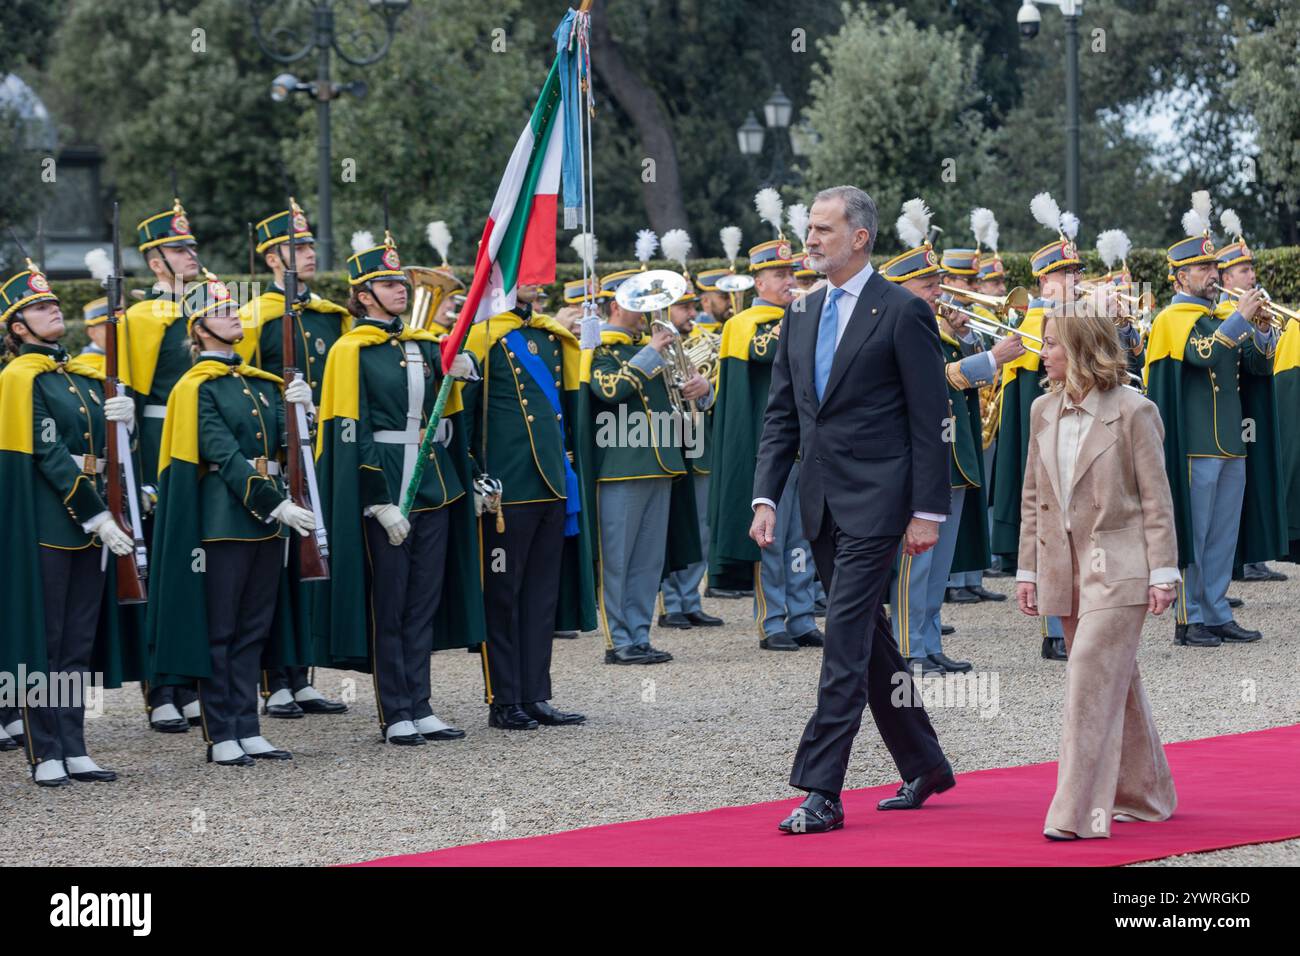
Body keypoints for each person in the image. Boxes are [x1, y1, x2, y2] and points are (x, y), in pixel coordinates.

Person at [751, 185, 955, 835]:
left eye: (822, 230)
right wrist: (765, 496)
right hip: (820, 505)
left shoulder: (901, 312)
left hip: (880, 504)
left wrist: (928, 511)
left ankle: (821, 791)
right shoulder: (801, 313)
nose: (808, 241)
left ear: (860, 237)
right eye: (808, 229)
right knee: (866, 639)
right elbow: (783, 415)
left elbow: (930, 419)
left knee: (841, 639)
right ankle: (924, 763)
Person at [314, 232, 483, 744]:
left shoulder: (422, 345)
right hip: (386, 485)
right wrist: (377, 499)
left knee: (422, 602)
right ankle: (396, 709)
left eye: (400, 281)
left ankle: (422, 703)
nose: (400, 288)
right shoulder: (351, 350)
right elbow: (350, 431)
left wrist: (459, 373)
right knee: (388, 603)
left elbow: (446, 421)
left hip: (433, 483)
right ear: (363, 295)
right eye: (387, 283)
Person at [1016, 307, 1179, 840]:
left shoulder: (1135, 410)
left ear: (1084, 350)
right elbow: (1033, 499)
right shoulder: (1041, 409)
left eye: (1052, 343)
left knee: (1088, 671)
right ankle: (1147, 793)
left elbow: (1157, 500)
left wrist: (1164, 572)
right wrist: (1028, 571)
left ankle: (1077, 811)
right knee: (1117, 680)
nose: (1042, 351)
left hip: (1122, 565)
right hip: (1064, 567)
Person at [146, 273, 314, 766]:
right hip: (225, 519)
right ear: (198, 329)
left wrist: (305, 412)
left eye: (234, 309)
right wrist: (271, 502)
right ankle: (222, 732)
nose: (234, 316)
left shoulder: (260, 385)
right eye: (221, 312)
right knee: (221, 629)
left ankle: (247, 725)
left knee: (253, 628)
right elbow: (224, 455)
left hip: (267, 519)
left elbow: (286, 449)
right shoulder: (197, 387)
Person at [0, 259, 138, 785]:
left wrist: (125, 424)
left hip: (92, 519)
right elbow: (49, 452)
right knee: (46, 640)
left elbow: (99, 451)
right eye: (40, 307)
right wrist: (95, 513)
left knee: (78, 642)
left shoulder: (79, 375)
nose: (53, 310)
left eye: (54, 303)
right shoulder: (21, 377)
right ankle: (43, 748)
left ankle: (74, 743)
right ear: (18, 327)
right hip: (50, 523)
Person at [882, 201, 1024, 675]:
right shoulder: (895, 325)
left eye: (938, 283)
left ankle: (929, 641)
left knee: (938, 563)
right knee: (915, 563)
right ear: (902, 288)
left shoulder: (932, 324)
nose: (939, 293)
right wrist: (991, 359)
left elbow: (965, 381)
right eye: (928, 285)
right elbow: (930, 381)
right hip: (919, 458)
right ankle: (907, 649)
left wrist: (966, 340)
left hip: (955, 457)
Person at [1143, 192, 1283, 647]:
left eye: (1213, 268)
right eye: (1203, 269)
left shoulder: (1220, 315)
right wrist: (1240, 320)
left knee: (1223, 535)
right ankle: (1190, 616)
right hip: (1195, 444)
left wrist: (1262, 330)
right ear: (1182, 275)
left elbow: (1258, 367)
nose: (1212, 276)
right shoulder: (1173, 319)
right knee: (1195, 532)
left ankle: (1218, 609)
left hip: (1231, 443)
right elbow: (1204, 355)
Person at [461, 280, 594, 730]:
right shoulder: (483, 335)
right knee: (503, 596)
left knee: (540, 597)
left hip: (551, 483)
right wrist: (474, 471)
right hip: (507, 486)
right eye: (527, 271)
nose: (538, 281)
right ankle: (504, 697)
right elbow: (465, 414)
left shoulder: (547, 336)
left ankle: (536, 693)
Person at [238, 200, 349, 719]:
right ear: (271, 258)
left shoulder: (331, 317)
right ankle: (273, 680)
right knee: (277, 567)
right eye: (296, 247)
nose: (308, 253)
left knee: (313, 555)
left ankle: (302, 675)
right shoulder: (255, 316)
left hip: (320, 446)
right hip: (280, 454)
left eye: (309, 245)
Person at [575, 267, 712, 665]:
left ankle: (639, 634)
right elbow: (609, 390)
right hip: (621, 465)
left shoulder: (658, 348)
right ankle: (617, 641)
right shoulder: (597, 347)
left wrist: (703, 391)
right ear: (615, 304)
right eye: (638, 303)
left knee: (648, 562)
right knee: (617, 560)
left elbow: (678, 401)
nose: (649, 311)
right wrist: (651, 350)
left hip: (664, 463)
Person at [710, 236, 821, 651]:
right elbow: (767, 350)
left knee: (802, 539)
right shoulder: (745, 324)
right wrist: (801, 311)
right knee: (770, 540)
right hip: (770, 452)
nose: (790, 281)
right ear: (758, 283)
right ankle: (772, 620)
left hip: (806, 447)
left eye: (792, 273)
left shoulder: (801, 315)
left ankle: (802, 615)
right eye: (779, 275)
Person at [990, 192, 1083, 662]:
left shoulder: (1076, 317)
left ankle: (1073, 621)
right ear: (1045, 279)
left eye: (1077, 272)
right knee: (1052, 527)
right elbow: (1037, 392)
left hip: (1081, 437)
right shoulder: (1035, 321)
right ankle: (1054, 627)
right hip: (1050, 440)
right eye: (1067, 273)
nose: (1076, 279)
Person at [123, 196, 204, 731]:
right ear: (156, 262)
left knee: (198, 563)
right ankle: (161, 687)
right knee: (160, 563)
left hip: (204, 435)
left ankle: (194, 678)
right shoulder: (141, 316)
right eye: (178, 249)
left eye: (191, 245)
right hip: (158, 440)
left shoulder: (211, 306)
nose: (190, 254)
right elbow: (126, 394)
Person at [1215, 212, 1288, 585]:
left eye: (1251, 269)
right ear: (1226, 278)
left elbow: (1264, 362)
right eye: (1242, 271)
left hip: (1255, 406)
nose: (1251, 276)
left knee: (1256, 478)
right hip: (1232, 410)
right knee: (1233, 486)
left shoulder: (1257, 310)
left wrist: (1263, 332)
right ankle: (1236, 561)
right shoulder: (1222, 313)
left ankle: (1254, 554)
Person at [935, 240, 1007, 606]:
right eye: (965, 281)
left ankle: (967, 576)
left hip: (970, 423)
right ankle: (950, 583)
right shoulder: (930, 322)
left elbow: (979, 369)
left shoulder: (963, 321)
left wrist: (965, 335)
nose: (973, 288)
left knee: (968, 508)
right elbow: (945, 374)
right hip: (943, 431)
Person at [657, 261, 723, 630]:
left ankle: (690, 598)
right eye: (684, 306)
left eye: (694, 305)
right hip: (666, 443)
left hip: (698, 441)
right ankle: (670, 601)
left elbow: (715, 395)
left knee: (701, 526)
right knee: (671, 525)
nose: (693, 313)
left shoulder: (701, 342)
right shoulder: (652, 344)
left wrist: (706, 390)